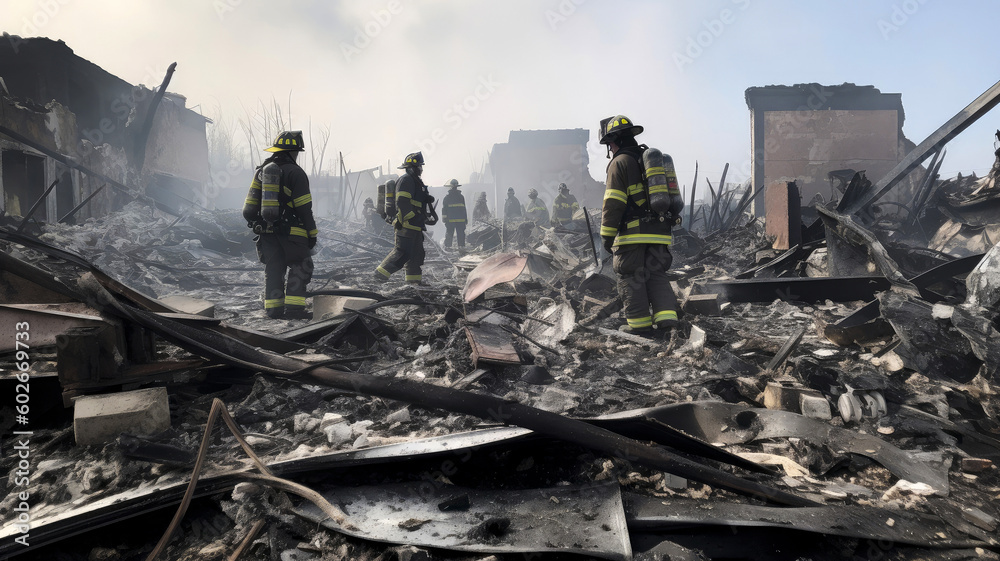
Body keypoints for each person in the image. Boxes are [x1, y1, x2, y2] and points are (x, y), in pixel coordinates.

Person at [599, 114, 682, 335]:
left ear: (613, 141)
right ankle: (668, 323)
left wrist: (606, 236)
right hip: (660, 233)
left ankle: (639, 327)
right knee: (656, 276)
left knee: (631, 277)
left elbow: (613, 202)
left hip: (632, 235)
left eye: (609, 143)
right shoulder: (648, 160)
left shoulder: (619, 162)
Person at [242, 130, 317, 319]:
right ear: (293, 152)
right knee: (301, 265)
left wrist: (259, 224)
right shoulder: (296, 173)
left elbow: (249, 210)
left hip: (266, 233)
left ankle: (274, 310)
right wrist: (312, 233)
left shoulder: (262, 172)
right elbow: (304, 208)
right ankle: (294, 309)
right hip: (293, 233)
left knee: (274, 269)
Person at [375, 152, 434, 284]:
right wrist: (408, 218)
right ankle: (379, 274)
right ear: (413, 167)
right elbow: (402, 201)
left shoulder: (415, 181)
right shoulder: (406, 180)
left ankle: (413, 283)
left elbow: (416, 202)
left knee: (416, 255)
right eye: (419, 166)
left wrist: (425, 199)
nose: (421, 169)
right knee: (402, 253)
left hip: (416, 225)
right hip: (406, 224)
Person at [442, 178, 467, 251]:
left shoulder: (447, 198)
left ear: (450, 187)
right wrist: (465, 219)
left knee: (449, 233)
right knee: (461, 234)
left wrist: (444, 219)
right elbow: (464, 209)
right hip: (461, 220)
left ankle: (448, 247)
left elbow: (444, 209)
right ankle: (461, 247)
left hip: (450, 220)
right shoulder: (461, 197)